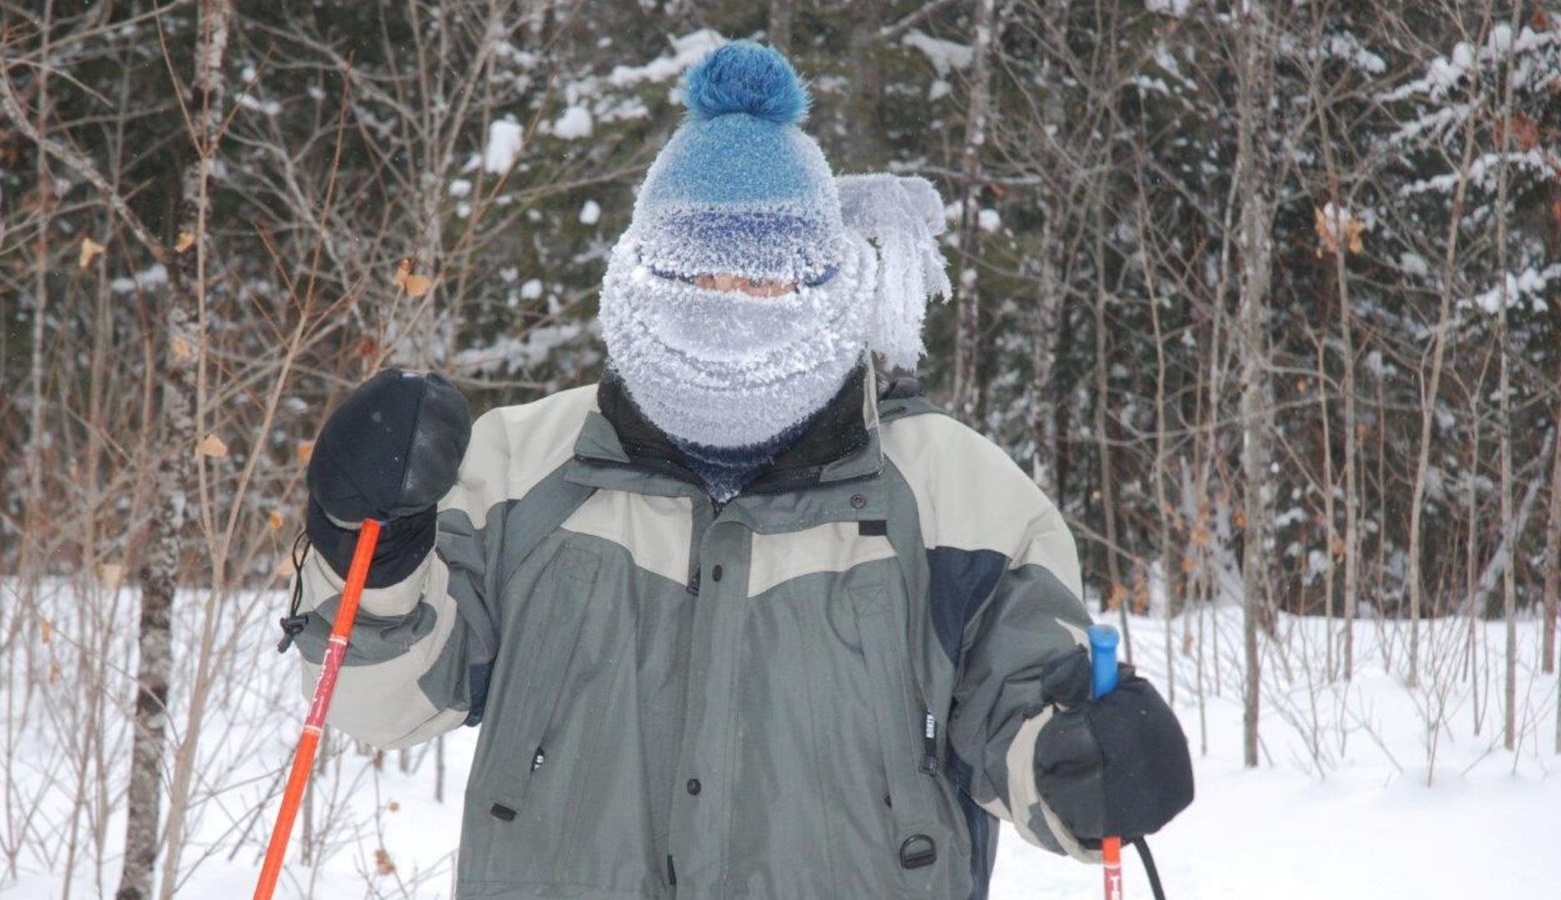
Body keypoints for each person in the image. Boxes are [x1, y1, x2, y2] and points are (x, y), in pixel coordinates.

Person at [287, 40, 1192, 900]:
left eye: (765, 281)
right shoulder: (519, 467)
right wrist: (369, 539)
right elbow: (384, 705)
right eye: (698, 279)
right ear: (636, 279)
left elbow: (1025, 714)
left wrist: (1084, 760)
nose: (732, 315)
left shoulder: (958, 494)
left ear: (830, 286)